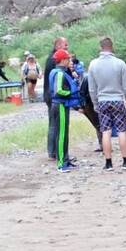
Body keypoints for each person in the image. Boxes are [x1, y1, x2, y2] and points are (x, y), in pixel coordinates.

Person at [88, 37, 126, 171]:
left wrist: (95, 103)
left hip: (102, 100)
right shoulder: (120, 63)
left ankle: (108, 163)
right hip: (117, 99)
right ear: (112, 47)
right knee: (122, 130)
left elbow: (92, 88)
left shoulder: (93, 64)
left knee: (106, 131)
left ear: (100, 47)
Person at [47, 50, 83, 172]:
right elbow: (58, 91)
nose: (70, 61)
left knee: (63, 133)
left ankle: (66, 159)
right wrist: (72, 93)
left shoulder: (56, 71)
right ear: (63, 60)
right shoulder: (60, 73)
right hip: (60, 106)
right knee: (61, 134)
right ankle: (62, 164)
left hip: (60, 105)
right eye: (68, 59)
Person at [43, 36, 73, 165]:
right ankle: (54, 153)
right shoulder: (53, 61)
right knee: (55, 125)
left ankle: (57, 153)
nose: (67, 48)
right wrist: (72, 93)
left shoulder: (53, 60)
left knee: (56, 125)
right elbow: (58, 84)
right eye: (65, 45)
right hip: (55, 98)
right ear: (58, 46)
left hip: (53, 96)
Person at [74, 54, 103, 153]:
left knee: (98, 124)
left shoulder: (87, 77)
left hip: (90, 104)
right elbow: (82, 93)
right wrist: (81, 107)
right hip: (89, 104)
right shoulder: (88, 78)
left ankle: (103, 144)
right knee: (98, 124)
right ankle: (103, 144)